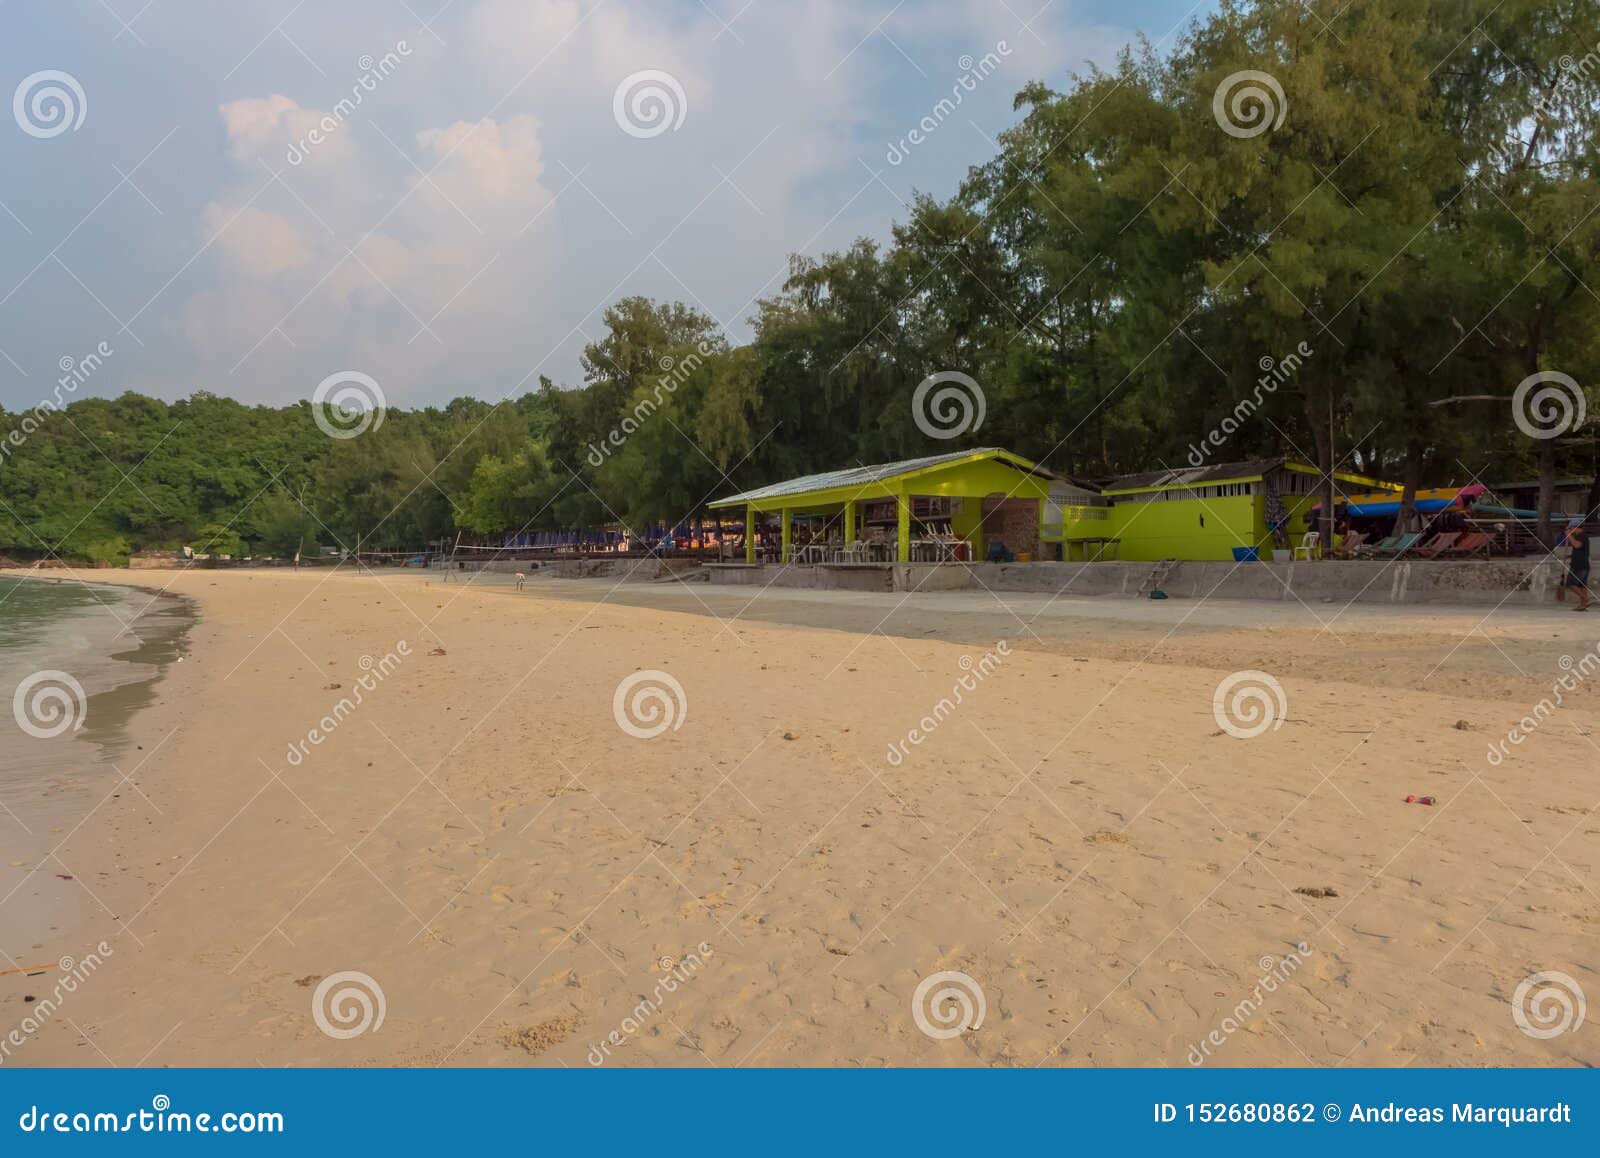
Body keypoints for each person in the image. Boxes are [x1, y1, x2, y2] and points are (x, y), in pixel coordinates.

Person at [1556, 519, 1591, 611]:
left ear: (1575, 527)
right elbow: (1581, 550)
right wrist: (1570, 556)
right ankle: (1583, 605)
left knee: (1570, 583)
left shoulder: (1581, 536)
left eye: (1571, 529)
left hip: (1579, 565)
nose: (1570, 531)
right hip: (1583, 564)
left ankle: (1585, 598)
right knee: (1582, 585)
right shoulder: (1581, 536)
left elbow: (1577, 545)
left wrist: (1569, 535)